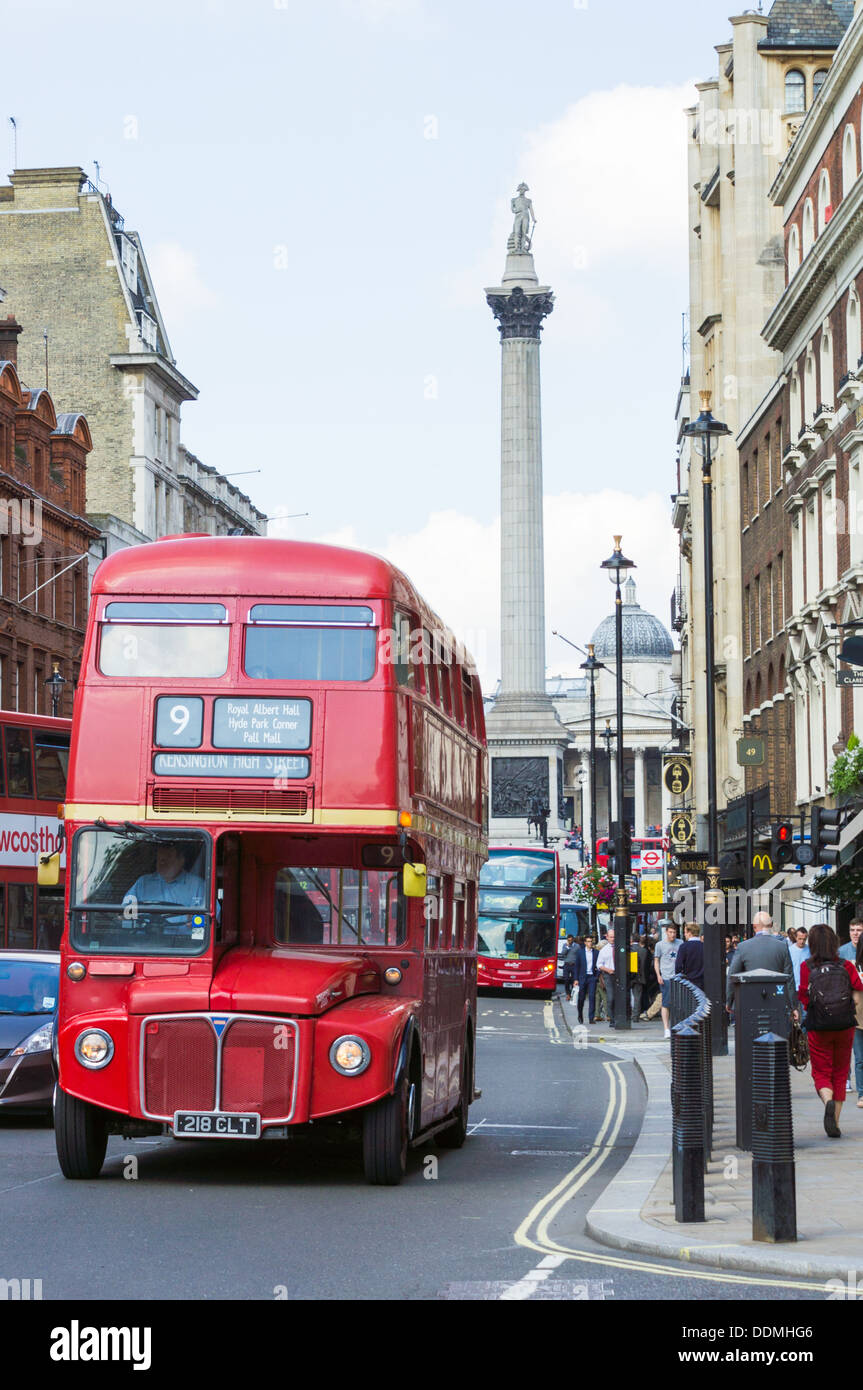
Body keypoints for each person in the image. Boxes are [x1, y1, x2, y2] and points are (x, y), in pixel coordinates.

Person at [799, 922, 863, 1137]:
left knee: (821, 1070)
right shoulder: (845, 965)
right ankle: (834, 1121)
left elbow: (803, 995)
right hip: (845, 1025)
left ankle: (827, 1100)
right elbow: (858, 986)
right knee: (840, 1070)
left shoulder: (807, 966)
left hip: (819, 1026)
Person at [123, 841, 207, 935]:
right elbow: (124, 912)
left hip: (185, 946)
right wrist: (127, 915)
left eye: (168, 857)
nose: (162, 862)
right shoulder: (143, 883)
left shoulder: (198, 885)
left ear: (181, 860)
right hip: (143, 943)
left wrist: (197, 919)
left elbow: (214, 918)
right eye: (160, 858)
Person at [726, 911, 798, 1018]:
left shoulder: (743, 947)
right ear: (771, 926)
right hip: (776, 1002)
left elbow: (732, 975)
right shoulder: (782, 947)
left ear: (754, 927)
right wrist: (793, 1006)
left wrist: (729, 1000)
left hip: (750, 1002)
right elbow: (789, 979)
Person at [839, 921, 863, 1102]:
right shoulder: (843, 952)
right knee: (855, 1053)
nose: (855, 933)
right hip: (852, 1009)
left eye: (859, 930)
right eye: (852, 930)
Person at [654, 920, 681, 1039]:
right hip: (665, 977)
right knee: (666, 1003)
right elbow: (656, 960)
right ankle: (666, 1028)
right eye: (670, 932)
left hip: (678, 977)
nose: (672, 935)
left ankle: (677, 1026)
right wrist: (658, 975)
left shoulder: (681, 943)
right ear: (666, 932)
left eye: (674, 932)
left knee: (678, 1003)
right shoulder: (659, 945)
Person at [576, 934, 601, 1024]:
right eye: (588, 941)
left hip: (592, 978)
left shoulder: (596, 953)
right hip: (583, 977)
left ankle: (591, 1017)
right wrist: (576, 979)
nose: (590, 943)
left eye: (591, 941)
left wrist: (596, 976)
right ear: (585, 943)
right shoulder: (580, 952)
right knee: (581, 998)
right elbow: (577, 966)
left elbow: (599, 965)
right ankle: (580, 1014)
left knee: (592, 997)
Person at [675, 922, 705, 990]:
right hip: (703, 982)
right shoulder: (704, 946)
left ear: (689, 932)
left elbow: (678, 966)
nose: (684, 934)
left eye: (685, 932)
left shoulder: (683, 946)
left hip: (688, 982)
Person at [597, 927, 615, 1027]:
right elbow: (599, 965)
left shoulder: (620, 948)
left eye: (614, 937)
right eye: (611, 937)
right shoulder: (603, 950)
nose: (613, 939)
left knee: (619, 998)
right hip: (609, 975)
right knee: (611, 998)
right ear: (607, 937)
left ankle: (617, 1018)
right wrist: (608, 970)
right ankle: (612, 1019)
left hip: (619, 975)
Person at [630, 934, 650, 1021]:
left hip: (630, 977)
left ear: (631, 940)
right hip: (640, 977)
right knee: (637, 997)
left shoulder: (630, 950)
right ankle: (635, 1015)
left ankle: (631, 1014)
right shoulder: (644, 951)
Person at [788, 926, 810, 992]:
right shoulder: (790, 950)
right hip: (793, 985)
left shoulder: (810, 950)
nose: (802, 941)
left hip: (806, 986)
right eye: (800, 939)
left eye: (804, 939)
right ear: (795, 937)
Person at [561, 935, 579, 1002]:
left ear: (573, 940)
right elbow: (563, 953)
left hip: (574, 965)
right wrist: (567, 947)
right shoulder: (565, 945)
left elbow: (579, 955)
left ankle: (572, 993)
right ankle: (568, 994)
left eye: (571, 940)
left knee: (574, 980)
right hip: (567, 965)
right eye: (568, 940)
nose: (570, 941)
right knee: (566, 980)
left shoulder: (577, 946)